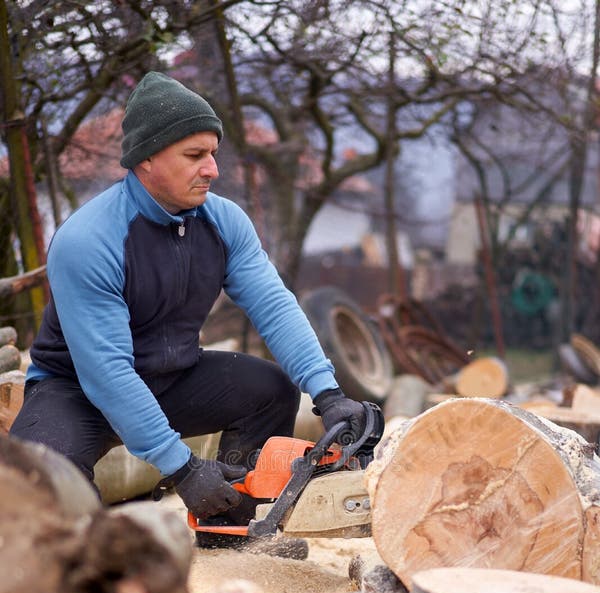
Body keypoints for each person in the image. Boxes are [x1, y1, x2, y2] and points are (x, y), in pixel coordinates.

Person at [10, 71, 369, 533]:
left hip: (173, 377)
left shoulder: (224, 222)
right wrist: (181, 468)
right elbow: (107, 373)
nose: (212, 169)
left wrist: (328, 394)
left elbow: (274, 307)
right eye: (194, 155)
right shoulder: (89, 240)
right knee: (37, 476)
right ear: (146, 159)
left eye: (213, 154)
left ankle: (235, 525)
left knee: (270, 390)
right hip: (76, 392)